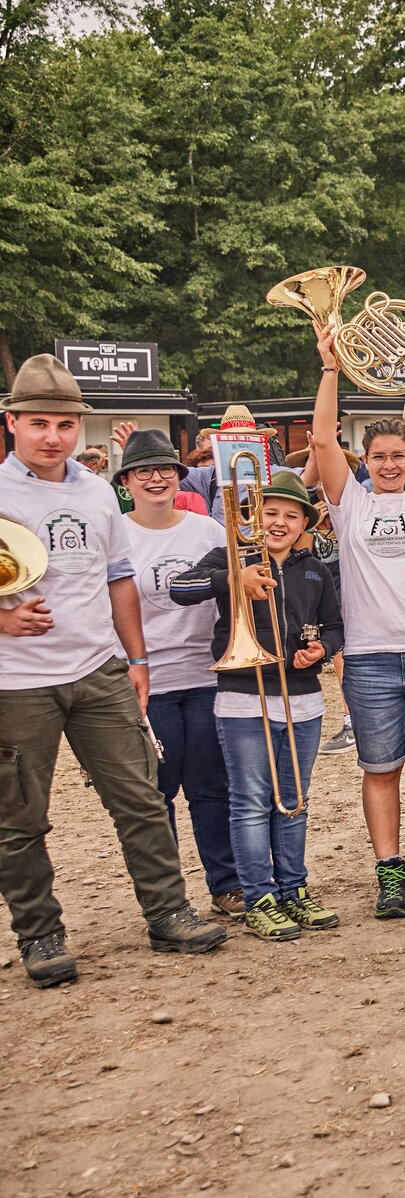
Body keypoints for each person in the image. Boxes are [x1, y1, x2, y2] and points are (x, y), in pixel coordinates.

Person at [0, 355, 225, 987]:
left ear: (79, 427)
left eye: (64, 423)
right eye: (37, 422)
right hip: (16, 682)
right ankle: (41, 936)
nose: (52, 435)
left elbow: (119, 579)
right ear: (12, 422)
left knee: (142, 799)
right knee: (20, 818)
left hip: (99, 669)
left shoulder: (97, 491)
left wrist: (138, 659)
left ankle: (167, 913)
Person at [312, 330, 405, 918]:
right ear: (366, 461)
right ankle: (388, 876)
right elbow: (322, 437)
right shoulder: (347, 502)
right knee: (379, 771)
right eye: (378, 457)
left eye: (398, 456)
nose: (388, 464)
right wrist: (330, 371)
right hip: (372, 660)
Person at [170, 469, 344, 942]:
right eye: (270, 513)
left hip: (303, 698)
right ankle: (259, 895)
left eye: (291, 515)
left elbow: (335, 626)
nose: (280, 522)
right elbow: (179, 589)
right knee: (249, 801)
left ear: (304, 522)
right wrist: (233, 578)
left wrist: (321, 650)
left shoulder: (314, 569)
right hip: (243, 696)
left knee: (294, 800)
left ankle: (293, 888)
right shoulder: (231, 555)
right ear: (253, 516)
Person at [116, 431, 238, 917]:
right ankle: (169, 900)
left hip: (207, 675)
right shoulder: (116, 533)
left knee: (213, 788)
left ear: (179, 476)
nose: (156, 478)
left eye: (165, 468)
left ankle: (226, 885)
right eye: (143, 470)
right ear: (126, 482)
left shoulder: (207, 530)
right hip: (147, 682)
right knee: (157, 795)